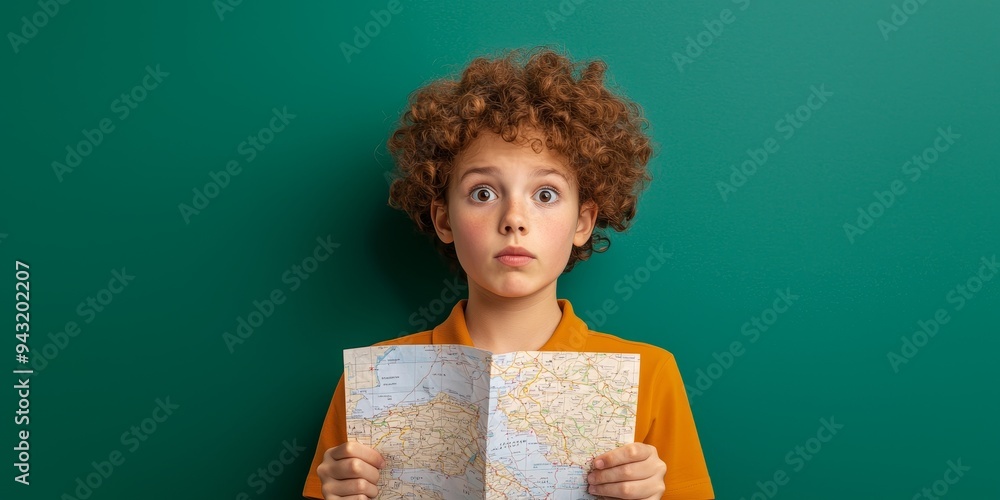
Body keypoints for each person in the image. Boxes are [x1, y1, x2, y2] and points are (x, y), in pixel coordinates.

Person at [302, 46, 714, 500]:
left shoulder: (651, 374)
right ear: (443, 221)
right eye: (482, 193)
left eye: (545, 194)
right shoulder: (373, 382)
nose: (513, 218)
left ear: (583, 222)